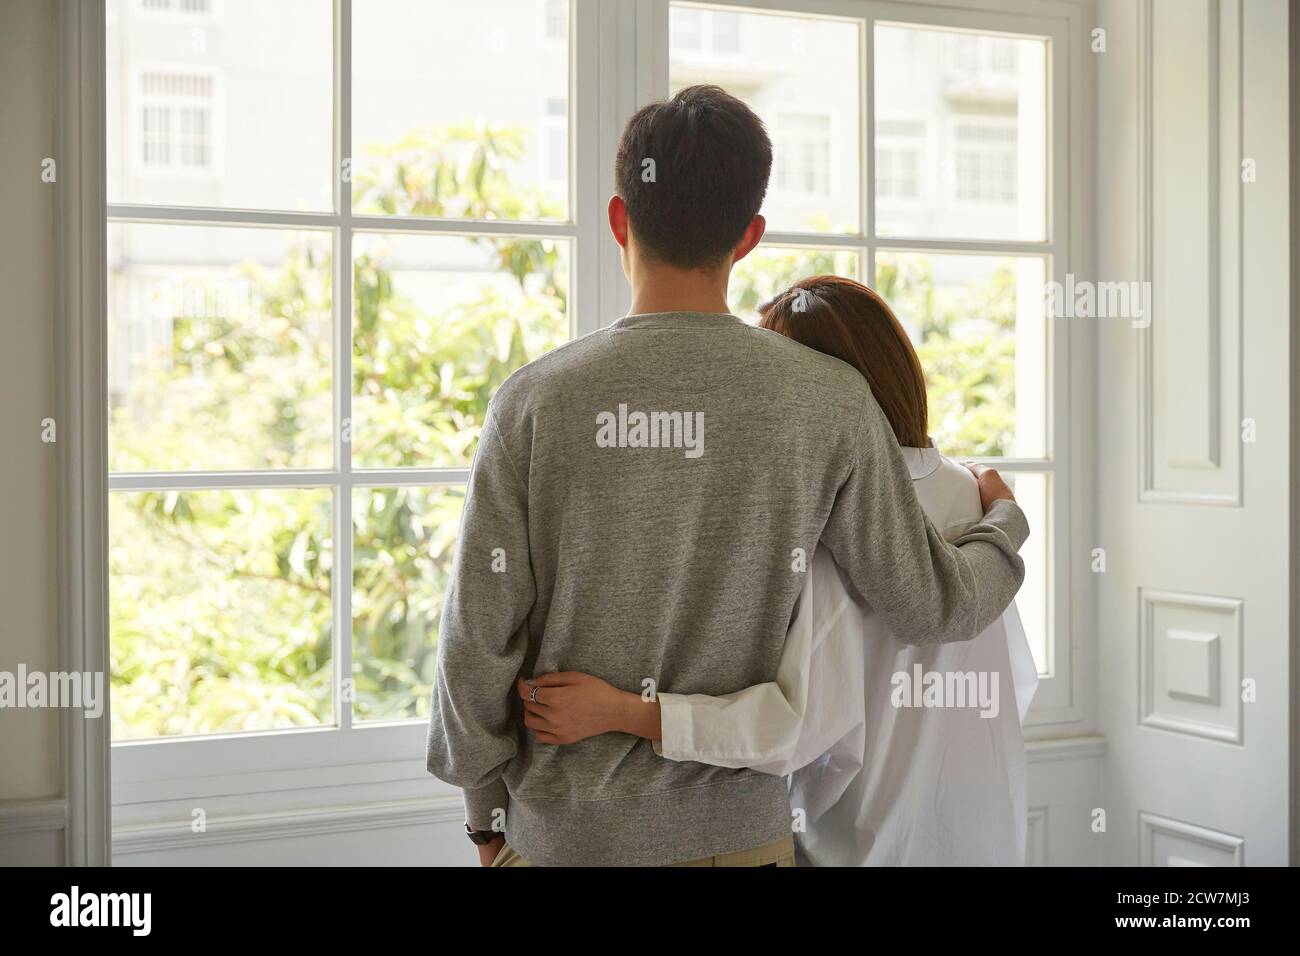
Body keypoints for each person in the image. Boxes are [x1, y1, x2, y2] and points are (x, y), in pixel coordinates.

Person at [425, 85, 1030, 867]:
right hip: (743, 844)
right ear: (749, 236)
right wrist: (1006, 524)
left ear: (620, 218)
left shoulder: (534, 402)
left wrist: (488, 826)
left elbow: (474, 646)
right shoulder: (829, 402)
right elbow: (933, 603)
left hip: (567, 840)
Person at [519, 276, 1040, 865]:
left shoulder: (824, 518)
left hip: (857, 844)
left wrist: (624, 711)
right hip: (984, 832)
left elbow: (792, 728)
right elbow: (1010, 684)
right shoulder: (976, 496)